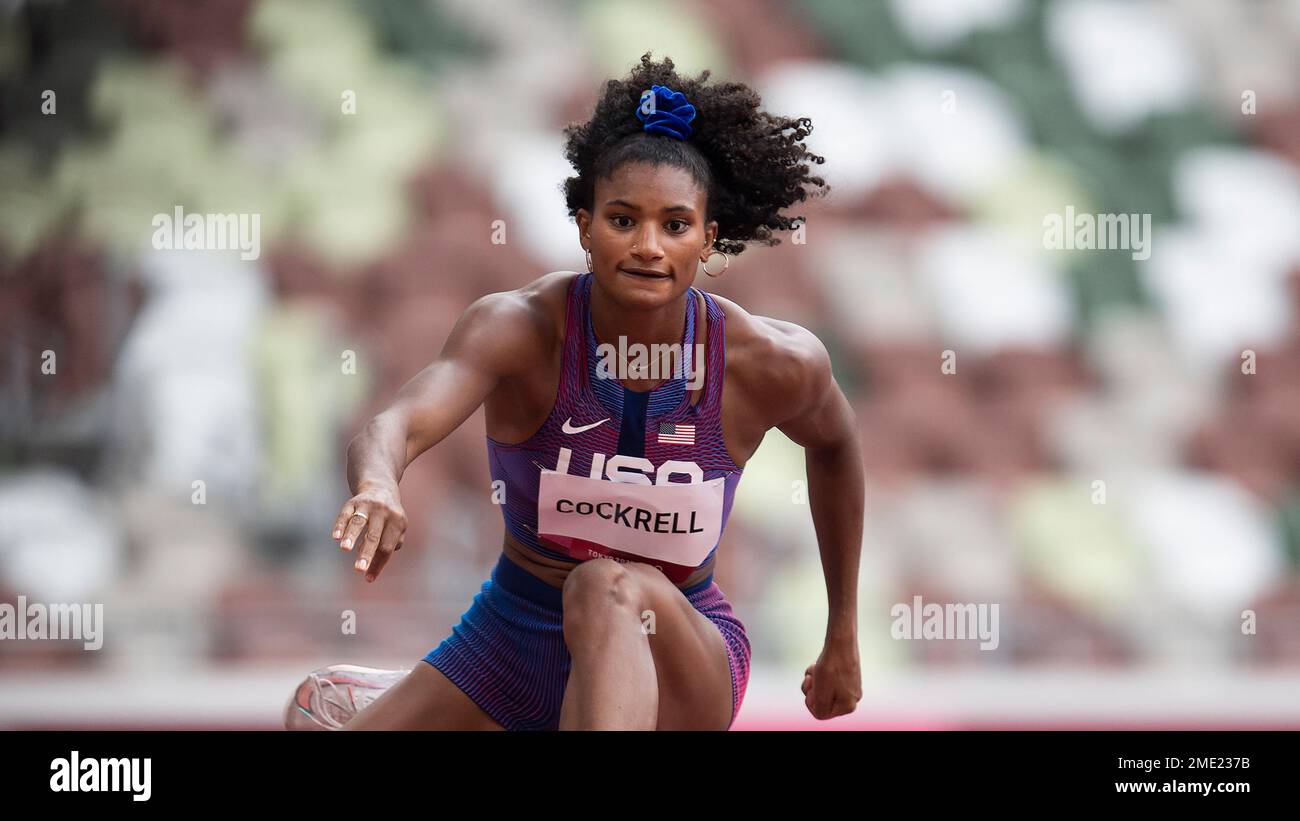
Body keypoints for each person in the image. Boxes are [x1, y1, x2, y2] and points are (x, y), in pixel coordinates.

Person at [285, 53, 864, 731]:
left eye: (674, 225)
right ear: (585, 226)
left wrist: (843, 634)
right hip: (511, 638)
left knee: (605, 584)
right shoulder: (519, 329)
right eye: (623, 220)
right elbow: (397, 422)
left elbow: (836, 446)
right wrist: (379, 482)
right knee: (311, 709)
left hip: (677, 648)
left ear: (707, 239)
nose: (648, 245)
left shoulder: (769, 362)